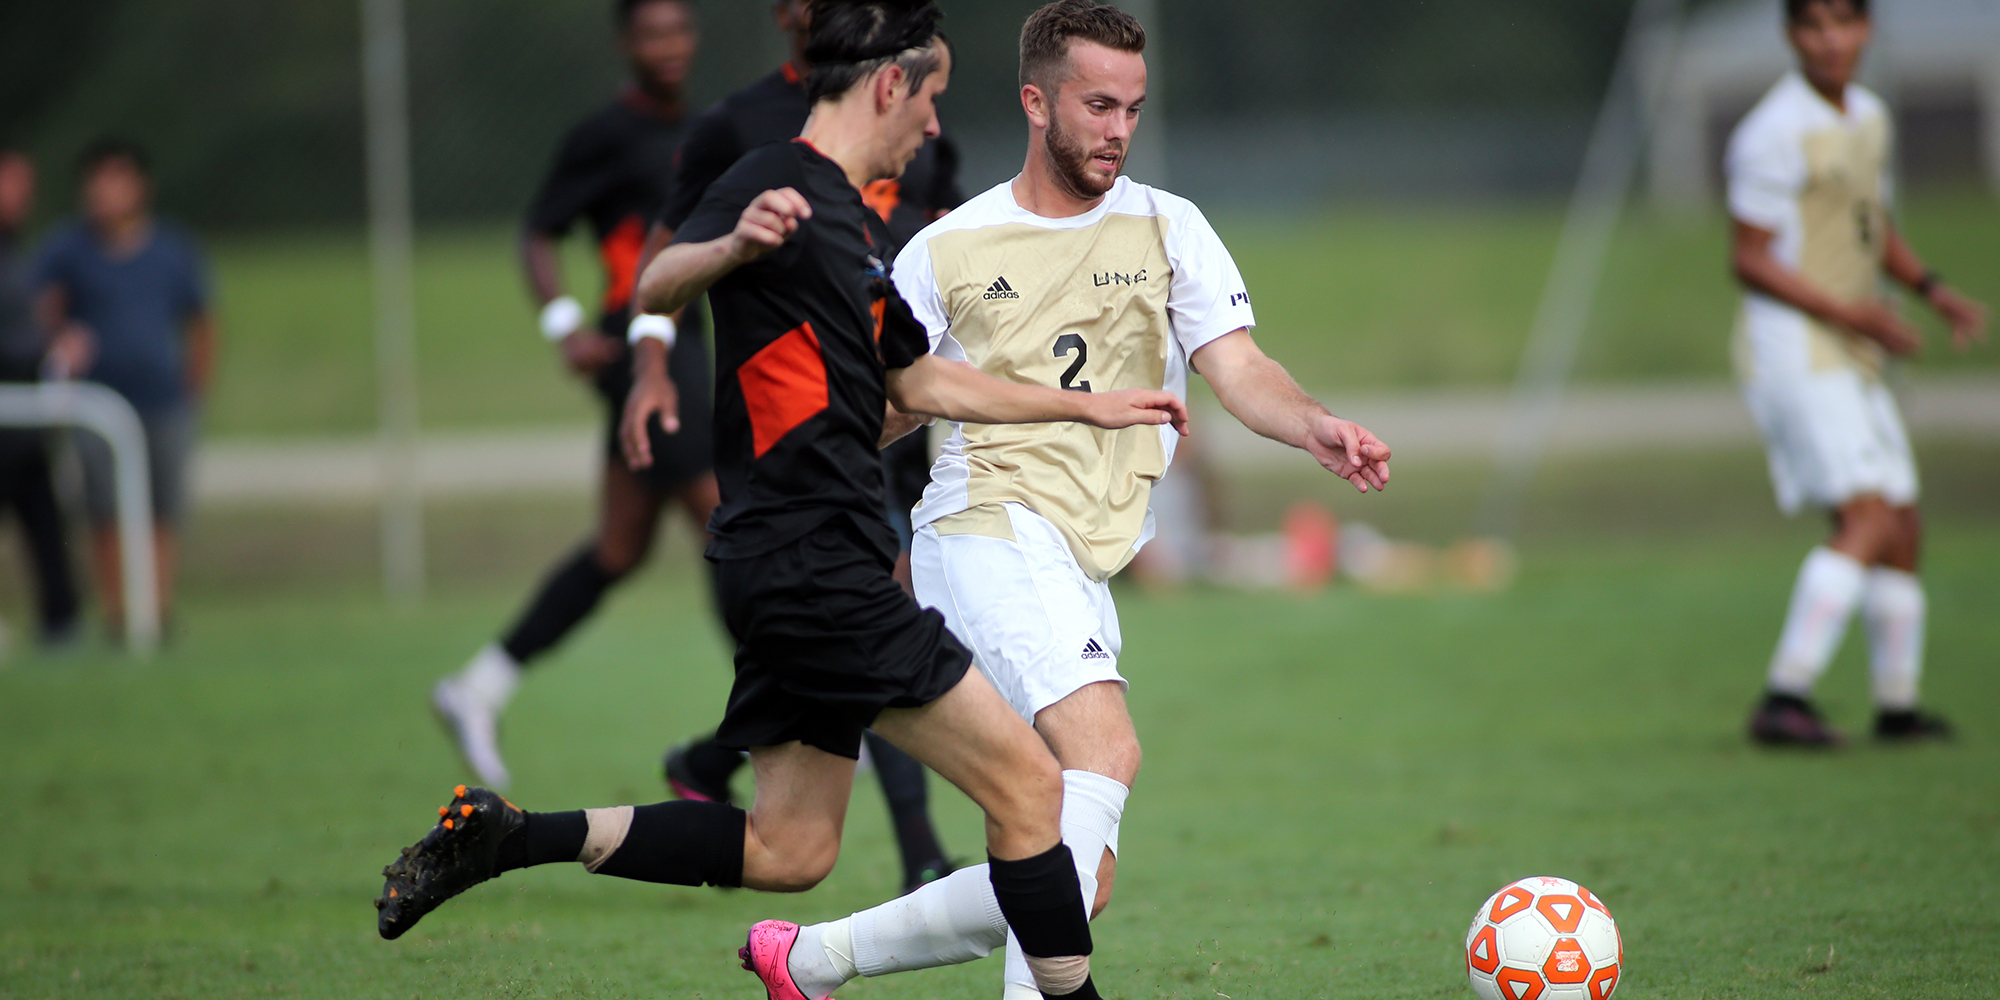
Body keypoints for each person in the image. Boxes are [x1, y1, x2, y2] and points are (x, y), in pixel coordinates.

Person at [377, 9, 1185, 998]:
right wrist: (730, 245)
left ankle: (508, 836)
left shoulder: (855, 223)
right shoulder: (775, 177)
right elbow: (655, 281)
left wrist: (1082, 404)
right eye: (930, 98)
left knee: (789, 847)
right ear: (887, 87)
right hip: (817, 562)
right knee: (1032, 789)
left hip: (782, 561)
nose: (934, 126)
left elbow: (921, 382)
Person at [738, 4, 1391, 998]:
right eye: (1097, 105)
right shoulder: (947, 250)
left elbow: (1238, 366)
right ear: (1036, 103)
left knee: (1070, 867)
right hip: (987, 529)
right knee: (1103, 749)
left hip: (1081, 559)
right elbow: (876, 407)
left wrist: (1315, 425)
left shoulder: (1169, 226)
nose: (1118, 129)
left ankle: (810, 959)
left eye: (1132, 108)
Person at [631, 0, 966, 893]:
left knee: (853, 676)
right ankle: (922, 856)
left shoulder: (911, 136)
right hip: (807, 474)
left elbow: (943, 261)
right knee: (883, 630)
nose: (932, 121)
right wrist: (652, 366)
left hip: (886, 419)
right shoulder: (749, 137)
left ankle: (708, 764)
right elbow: (661, 272)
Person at [430, 0, 718, 794]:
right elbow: (538, 231)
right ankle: (793, 720)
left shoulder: (707, 129)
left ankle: (479, 686)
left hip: (690, 344)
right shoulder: (604, 135)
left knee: (620, 549)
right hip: (642, 353)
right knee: (729, 528)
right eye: (651, 32)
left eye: (679, 29)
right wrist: (564, 326)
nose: (668, 45)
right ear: (626, 43)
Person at [1728, 0, 1987, 748]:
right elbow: (1748, 259)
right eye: (1813, 25)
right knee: (1866, 516)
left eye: (1843, 22)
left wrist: (1931, 289)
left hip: (1852, 343)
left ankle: (1897, 707)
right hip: (1796, 348)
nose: (1830, 40)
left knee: (1901, 522)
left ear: (1867, 28)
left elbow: (1872, 225)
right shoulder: (1773, 132)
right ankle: (1784, 697)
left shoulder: (1869, 116)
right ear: (1790, 35)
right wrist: (1848, 313)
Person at [34, 138, 214, 637]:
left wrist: (196, 385)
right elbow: (41, 309)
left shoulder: (172, 248)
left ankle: (157, 609)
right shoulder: (67, 249)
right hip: (96, 400)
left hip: (163, 398)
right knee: (104, 511)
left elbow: (202, 320)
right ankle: (117, 613)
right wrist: (59, 344)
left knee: (162, 510)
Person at [0, 148, 81, 650]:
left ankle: (61, 622)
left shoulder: (21, 252)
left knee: (45, 521)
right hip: (7, 406)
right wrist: (42, 347)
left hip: (25, 418)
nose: (18, 196)